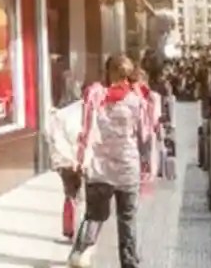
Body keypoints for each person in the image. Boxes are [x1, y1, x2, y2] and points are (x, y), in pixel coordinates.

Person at [68, 54, 150, 268]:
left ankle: (81, 253)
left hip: (100, 168)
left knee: (94, 215)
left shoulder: (96, 96)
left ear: (108, 72)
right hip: (127, 167)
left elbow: (84, 131)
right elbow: (144, 134)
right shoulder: (136, 99)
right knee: (127, 219)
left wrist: (79, 159)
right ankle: (129, 263)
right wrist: (147, 162)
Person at [47, 91, 84, 242]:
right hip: (72, 160)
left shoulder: (57, 116)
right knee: (77, 196)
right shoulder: (71, 114)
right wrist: (75, 159)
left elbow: (53, 140)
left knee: (70, 195)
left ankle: (69, 229)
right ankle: (75, 231)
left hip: (64, 161)